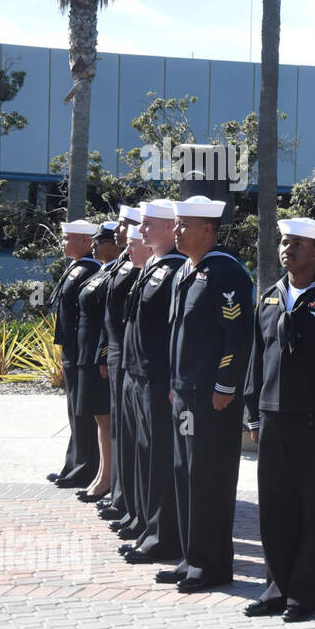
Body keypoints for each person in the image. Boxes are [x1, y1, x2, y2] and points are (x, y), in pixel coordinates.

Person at [242, 218, 315, 622]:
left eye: (296, 244)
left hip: (314, 423)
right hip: (272, 419)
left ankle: (305, 596)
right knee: (274, 508)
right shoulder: (270, 296)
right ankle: (276, 588)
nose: (287, 250)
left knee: (312, 510)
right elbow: (255, 360)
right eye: (284, 242)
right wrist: (253, 415)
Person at [163, 195, 254, 593]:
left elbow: (237, 334)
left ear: (208, 230)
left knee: (209, 479)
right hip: (185, 392)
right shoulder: (187, 270)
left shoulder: (226, 273)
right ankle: (190, 557)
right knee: (184, 475)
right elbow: (179, 333)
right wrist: (174, 383)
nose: (177, 230)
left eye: (185, 224)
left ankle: (212, 565)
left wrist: (225, 384)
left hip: (211, 396)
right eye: (177, 223)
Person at [118, 200, 187, 564]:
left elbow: (178, 330)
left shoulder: (175, 269)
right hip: (138, 374)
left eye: (147, 225)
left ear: (166, 228)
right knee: (144, 456)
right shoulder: (155, 266)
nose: (140, 231)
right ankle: (148, 526)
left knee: (160, 458)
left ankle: (163, 537)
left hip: (159, 380)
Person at [93, 206, 142, 523]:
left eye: (125, 224)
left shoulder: (140, 264)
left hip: (131, 357)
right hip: (117, 354)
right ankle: (120, 495)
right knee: (120, 432)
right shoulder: (124, 261)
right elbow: (109, 314)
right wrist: (104, 351)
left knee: (130, 433)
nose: (119, 229)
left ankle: (127, 499)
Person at [47, 220, 102, 489]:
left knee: (83, 414)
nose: (64, 242)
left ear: (84, 241)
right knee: (74, 412)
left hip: (83, 352)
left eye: (69, 238)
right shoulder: (76, 267)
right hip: (71, 349)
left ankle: (85, 468)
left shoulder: (91, 269)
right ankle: (73, 464)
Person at [72, 222, 121, 501]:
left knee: (105, 418)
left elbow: (108, 318)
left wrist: (102, 354)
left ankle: (106, 478)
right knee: (98, 416)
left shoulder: (116, 272)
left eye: (101, 241)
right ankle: (102, 473)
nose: (94, 245)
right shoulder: (102, 270)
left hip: (99, 354)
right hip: (86, 352)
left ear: (115, 244)